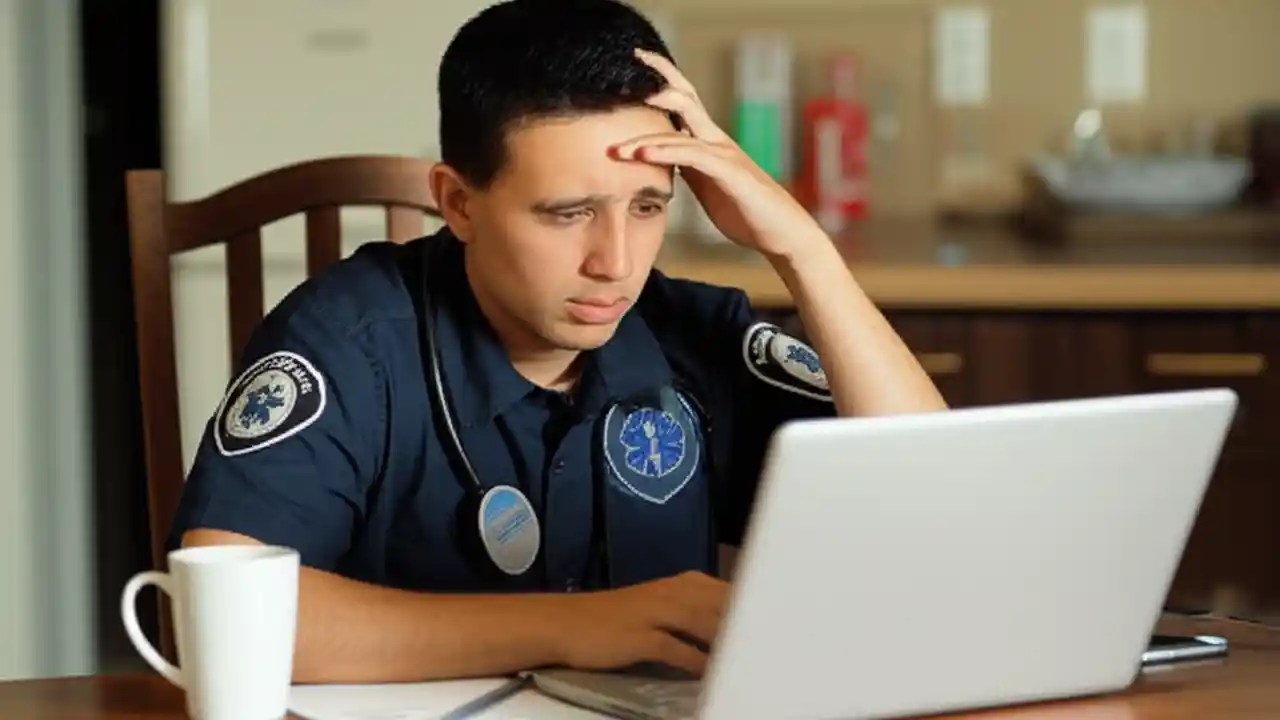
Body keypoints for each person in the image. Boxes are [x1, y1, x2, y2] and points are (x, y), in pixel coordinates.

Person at [171, 0, 946, 684]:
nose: (615, 261)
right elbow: (223, 616)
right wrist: (577, 627)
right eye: (567, 213)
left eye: (647, 207)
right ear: (458, 202)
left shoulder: (693, 333)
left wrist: (802, 250)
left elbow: (933, 511)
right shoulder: (348, 341)